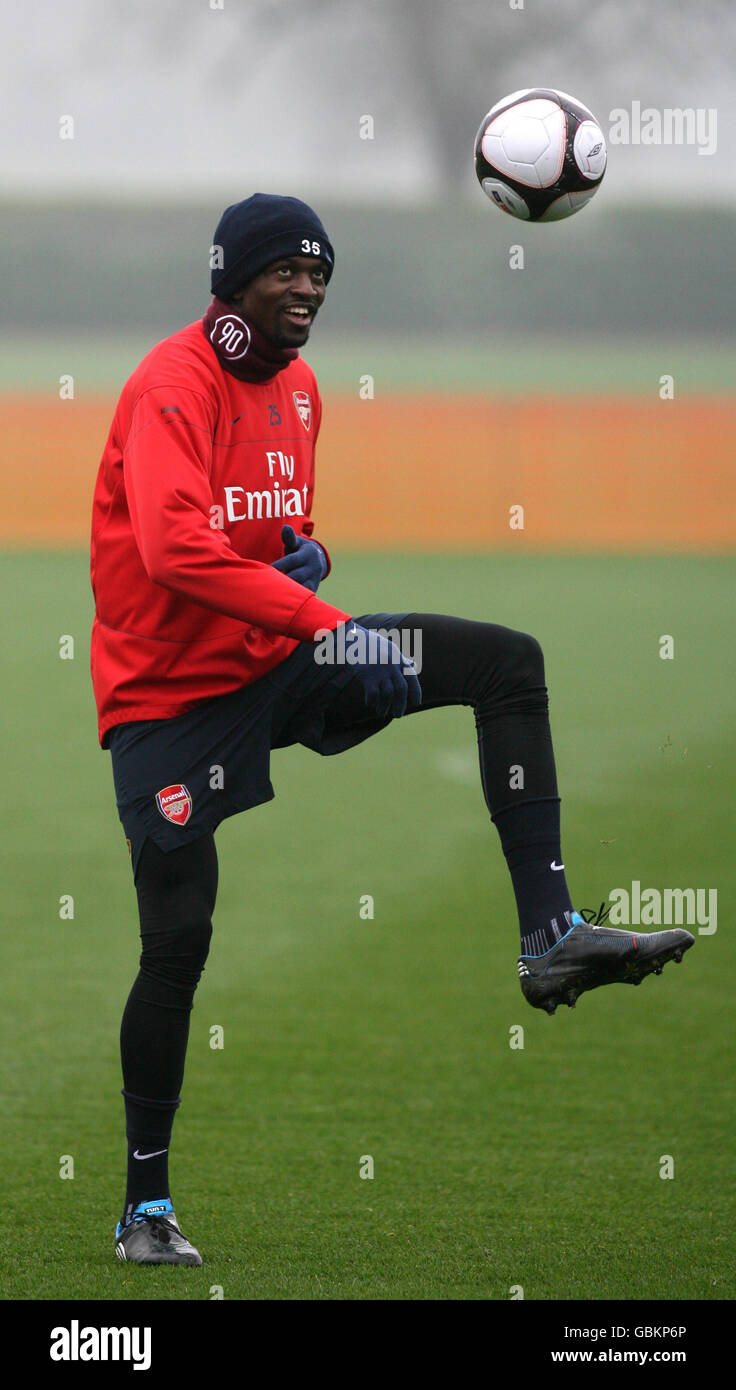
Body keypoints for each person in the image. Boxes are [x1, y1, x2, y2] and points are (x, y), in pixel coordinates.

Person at [90, 193, 693, 1267]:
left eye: (321, 273)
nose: (311, 289)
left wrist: (304, 563)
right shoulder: (170, 385)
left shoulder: (305, 390)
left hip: (277, 666)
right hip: (166, 704)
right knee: (177, 945)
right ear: (234, 279)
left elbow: (274, 537)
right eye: (289, 272)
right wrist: (323, 613)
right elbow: (178, 552)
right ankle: (144, 1211)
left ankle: (549, 936)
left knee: (504, 661)